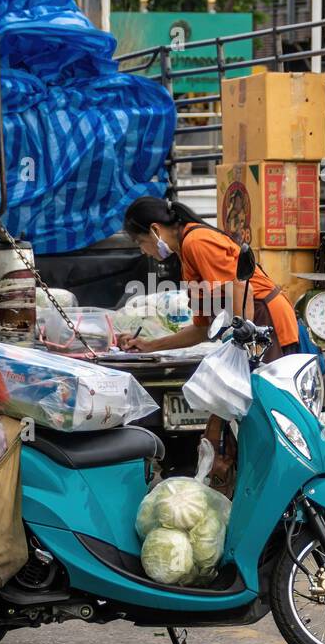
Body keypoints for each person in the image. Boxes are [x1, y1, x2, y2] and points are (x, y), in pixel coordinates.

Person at [121, 195, 299, 488]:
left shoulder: (197, 242)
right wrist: (149, 346)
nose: (145, 252)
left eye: (140, 243)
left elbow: (240, 289)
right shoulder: (187, 256)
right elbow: (202, 330)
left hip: (267, 322)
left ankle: (279, 490)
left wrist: (244, 343)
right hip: (253, 325)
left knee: (267, 416)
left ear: (155, 230)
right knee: (239, 422)